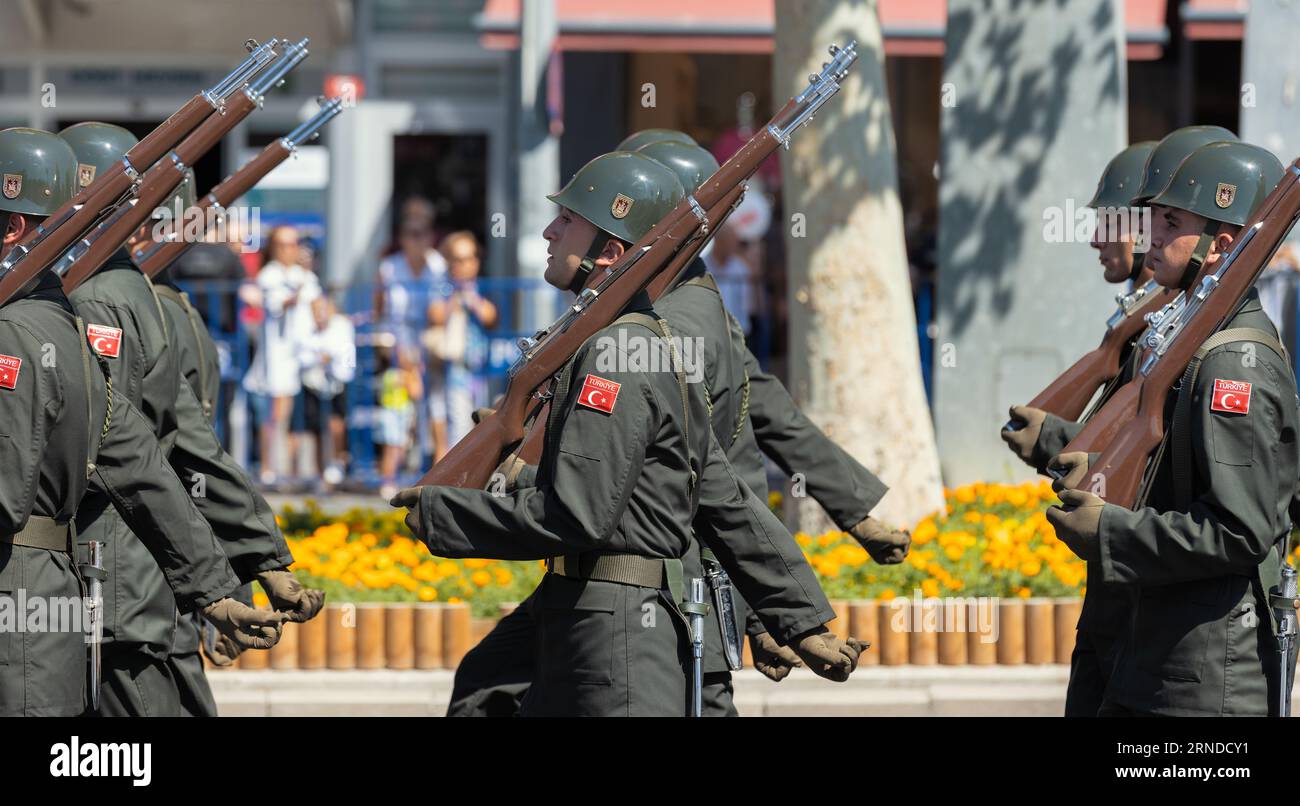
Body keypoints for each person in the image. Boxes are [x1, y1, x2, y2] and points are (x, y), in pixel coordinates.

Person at [441, 136, 905, 717]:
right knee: (488, 685)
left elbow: (708, 476)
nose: (550, 232)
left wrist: (775, 610)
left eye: (570, 218)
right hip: (622, 585)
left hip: (670, 576)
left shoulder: (668, 324)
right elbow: (754, 425)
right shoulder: (655, 313)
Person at [0, 127, 283, 716]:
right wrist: (222, 581)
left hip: (54, 591)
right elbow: (145, 460)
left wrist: (229, 577)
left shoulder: (29, 329)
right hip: (64, 595)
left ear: (12, 227)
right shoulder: (65, 324)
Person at [61, 123, 324, 716]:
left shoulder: (97, 297)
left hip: (106, 568)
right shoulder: (140, 295)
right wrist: (259, 559)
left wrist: (245, 567)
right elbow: (194, 448)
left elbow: (142, 450)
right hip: (142, 569)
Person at [1046, 140, 1296, 717]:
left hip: (1205, 675)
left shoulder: (1233, 364)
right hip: (1159, 647)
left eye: (1171, 224)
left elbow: (1240, 529)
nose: (1150, 237)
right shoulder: (1191, 343)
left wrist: (1113, 533)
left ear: (1221, 247)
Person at [1000, 127, 1236, 717]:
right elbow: (1123, 427)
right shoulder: (1156, 320)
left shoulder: (1201, 337)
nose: (1094, 239)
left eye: (1109, 222)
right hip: (1125, 587)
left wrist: (1059, 442)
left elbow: (1156, 455)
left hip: (1160, 603)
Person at [243, 225, 320, 485]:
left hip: (305, 355)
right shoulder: (270, 275)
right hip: (278, 357)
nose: (291, 250)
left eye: (294, 243)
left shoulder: (305, 276)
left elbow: (318, 308)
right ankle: (270, 468)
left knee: (303, 414)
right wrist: (299, 290)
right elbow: (282, 303)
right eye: (284, 244)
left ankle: (294, 470)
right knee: (276, 415)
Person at [425, 231, 496, 453]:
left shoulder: (481, 287)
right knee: (457, 423)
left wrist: (471, 298)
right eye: (457, 259)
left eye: (469, 258)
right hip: (450, 367)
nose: (463, 265)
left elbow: (490, 317)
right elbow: (434, 315)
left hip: (477, 367)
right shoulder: (442, 287)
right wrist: (454, 299)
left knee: (479, 419)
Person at [299, 295, 356, 488]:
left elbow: (345, 357)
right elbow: (302, 355)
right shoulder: (306, 329)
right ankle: (320, 472)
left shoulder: (343, 327)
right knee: (315, 429)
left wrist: (328, 358)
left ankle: (337, 464)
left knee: (337, 424)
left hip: (337, 383)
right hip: (313, 384)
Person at [378, 345, 422, 501]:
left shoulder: (407, 374)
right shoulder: (394, 374)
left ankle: (394, 479)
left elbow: (416, 393)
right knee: (391, 449)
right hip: (392, 414)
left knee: (400, 451)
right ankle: (387, 482)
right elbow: (415, 391)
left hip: (403, 415)